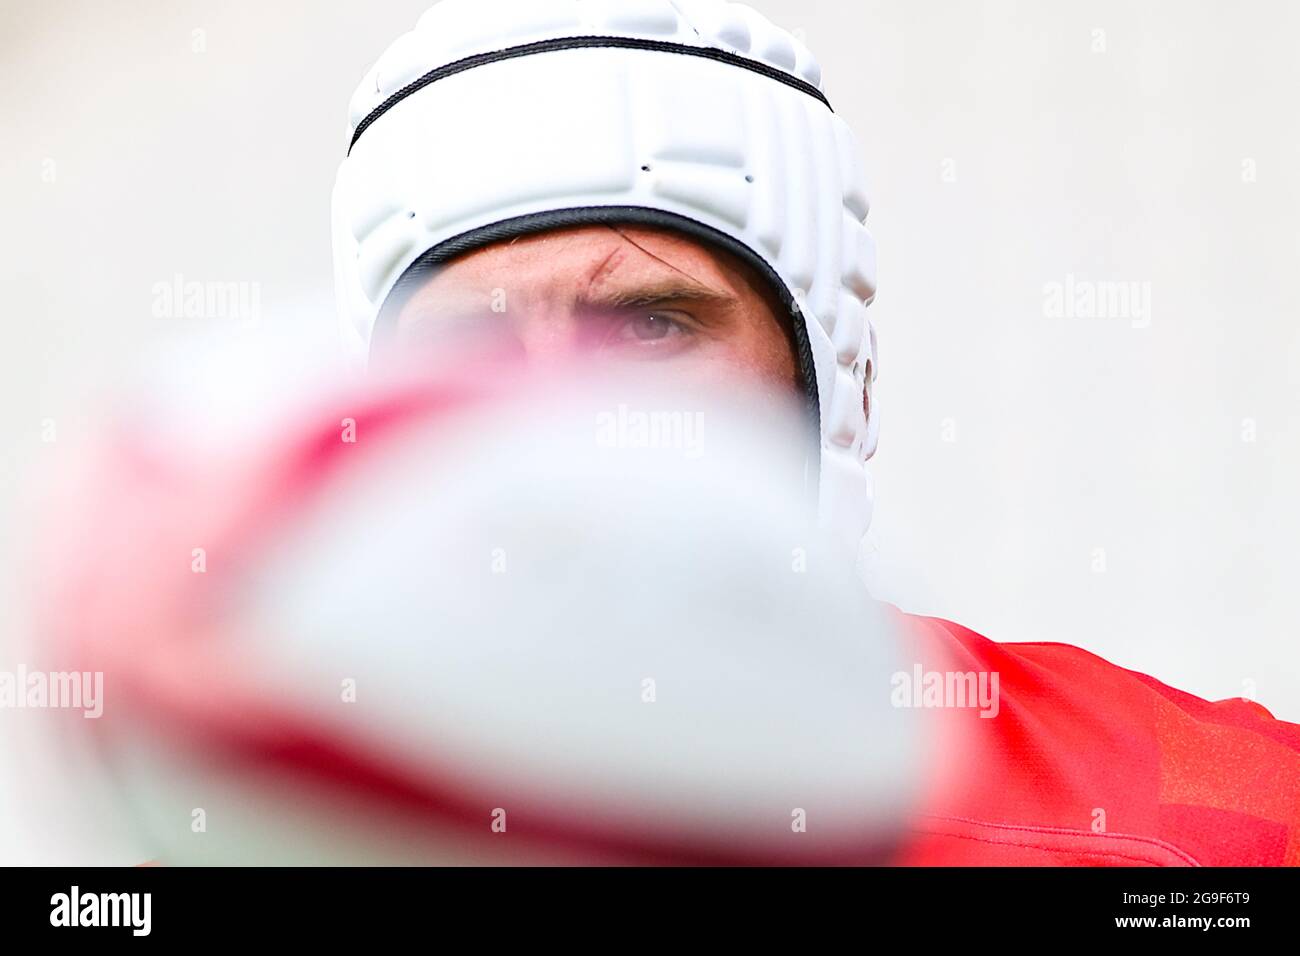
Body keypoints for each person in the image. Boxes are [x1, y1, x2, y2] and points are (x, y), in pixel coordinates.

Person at [330, 0, 1300, 865]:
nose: (554, 421)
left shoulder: (1220, 828)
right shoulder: (226, 823)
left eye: (648, 326)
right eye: (469, 349)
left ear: (838, 381)